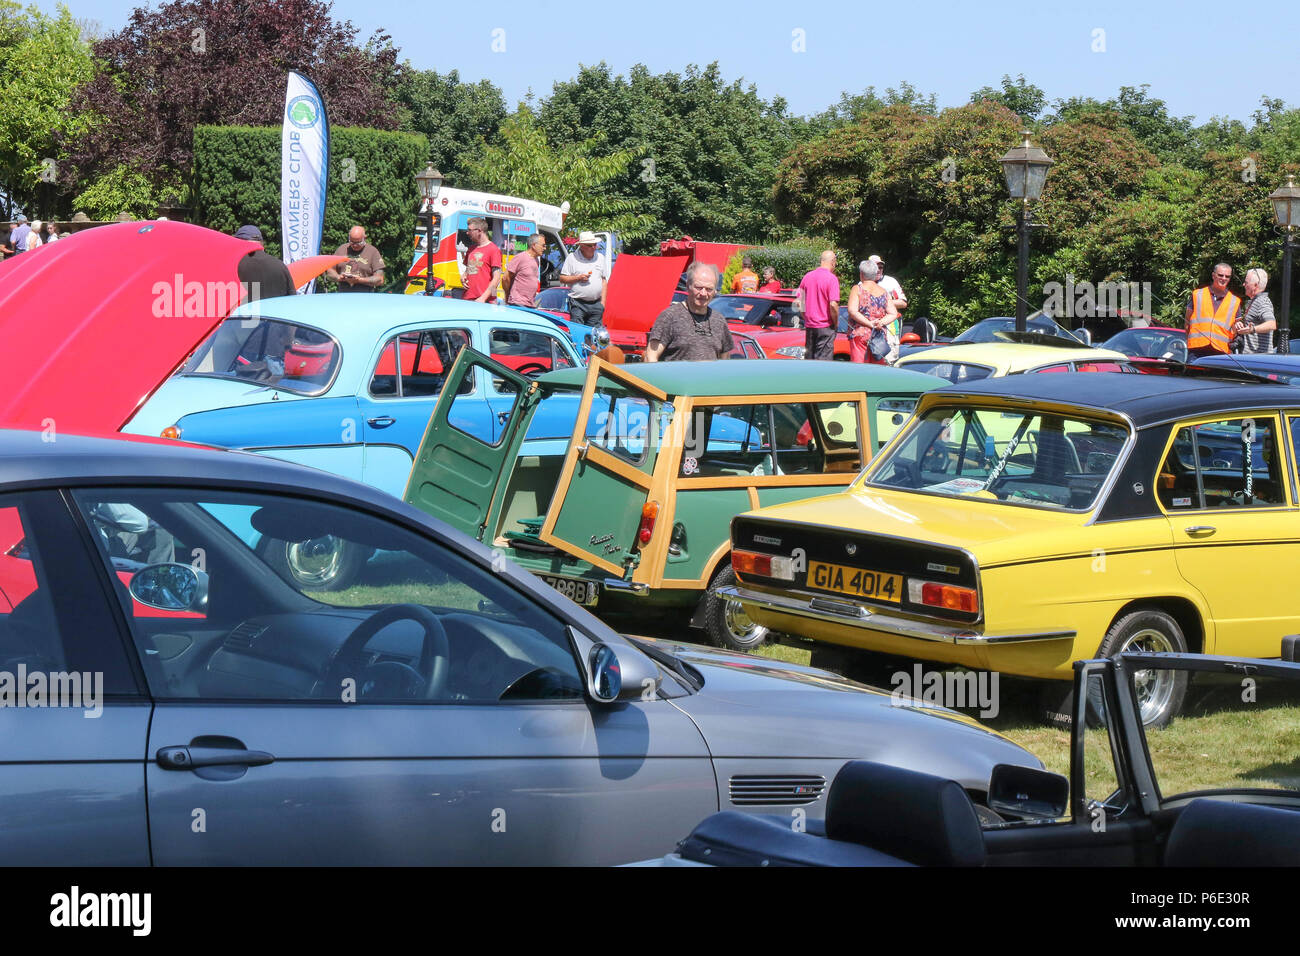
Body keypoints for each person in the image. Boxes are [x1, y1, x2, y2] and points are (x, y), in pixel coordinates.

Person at [645, 262, 732, 362]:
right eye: (698, 287)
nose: (703, 293)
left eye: (709, 289)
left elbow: (725, 360)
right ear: (688, 286)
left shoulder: (719, 321)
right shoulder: (670, 317)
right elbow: (650, 356)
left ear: (715, 291)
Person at [847, 260, 900, 363]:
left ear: (861, 274)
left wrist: (869, 324)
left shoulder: (857, 289)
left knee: (860, 370)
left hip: (860, 334)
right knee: (877, 369)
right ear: (875, 274)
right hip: (878, 336)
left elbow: (852, 311)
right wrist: (880, 322)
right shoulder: (883, 292)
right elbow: (893, 313)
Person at [1185, 263, 1241, 357]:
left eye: (1227, 276)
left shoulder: (1235, 301)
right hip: (1196, 350)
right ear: (1213, 275)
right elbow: (1187, 321)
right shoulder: (1197, 294)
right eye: (1220, 275)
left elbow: (1237, 329)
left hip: (1221, 352)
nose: (1224, 278)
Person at [232, 225, 296, 303]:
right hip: (273, 314)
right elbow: (292, 300)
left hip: (243, 314)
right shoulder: (280, 266)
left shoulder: (233, 266)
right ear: (262, 244)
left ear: (238, 242)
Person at [797, 250, 841, 361]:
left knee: (810, 360)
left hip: (810, 326)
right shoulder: (832, 279)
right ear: (833, 262)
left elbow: (799, 301)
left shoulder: (807, 276)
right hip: (825, 326)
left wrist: (805, 317)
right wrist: (835, 323)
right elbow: (833, 304)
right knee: (823, 363)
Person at [560, 231, 608, 326]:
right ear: (582, 246)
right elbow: (562, 278)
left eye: (595, 244)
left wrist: (603, 303)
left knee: (594, 335)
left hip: (596, 304)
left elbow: (603, 281)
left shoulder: (600, 258)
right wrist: (578, 278)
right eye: (590, 245)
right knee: (578, 332)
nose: (594, 247)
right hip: (578, 303)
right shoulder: (572, 258)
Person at [326, 226, 385, 292]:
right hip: (343, 296)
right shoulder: (341, 249)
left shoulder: (373, 252)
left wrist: (359, 280)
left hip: (365, 296)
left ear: (364, 238)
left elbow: (379, 279)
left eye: (358, 243)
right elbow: (330, 271)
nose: (355, 245)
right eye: (352, 242)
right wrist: (338, 277)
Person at [460, 216, 502, 303]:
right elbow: (469, 270)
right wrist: (463, 276)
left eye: (469, 230)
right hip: (468, 298)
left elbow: (497, 278)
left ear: (479, 231)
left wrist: (484, 298)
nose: (467, 233)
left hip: (484, 301)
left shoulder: (494, 250)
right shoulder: (471, 249)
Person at [1234, 268, 1276, 354]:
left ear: (1255, 285)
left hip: (1258, 359)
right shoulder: (1255, 301)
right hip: (1252, 358)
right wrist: (1242, 326)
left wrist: (1252, 329)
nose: (1243, 284)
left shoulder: (1262, 301)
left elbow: (1271, 324)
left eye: (1246, 282)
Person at [504, 233, 546, 307]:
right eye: (543, 245)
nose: (545, 248)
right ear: (534, 245)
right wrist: (507, 295)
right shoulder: (520, 257)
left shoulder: (536, 260)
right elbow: (506, 278)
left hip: (530, 304)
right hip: (518, 303)